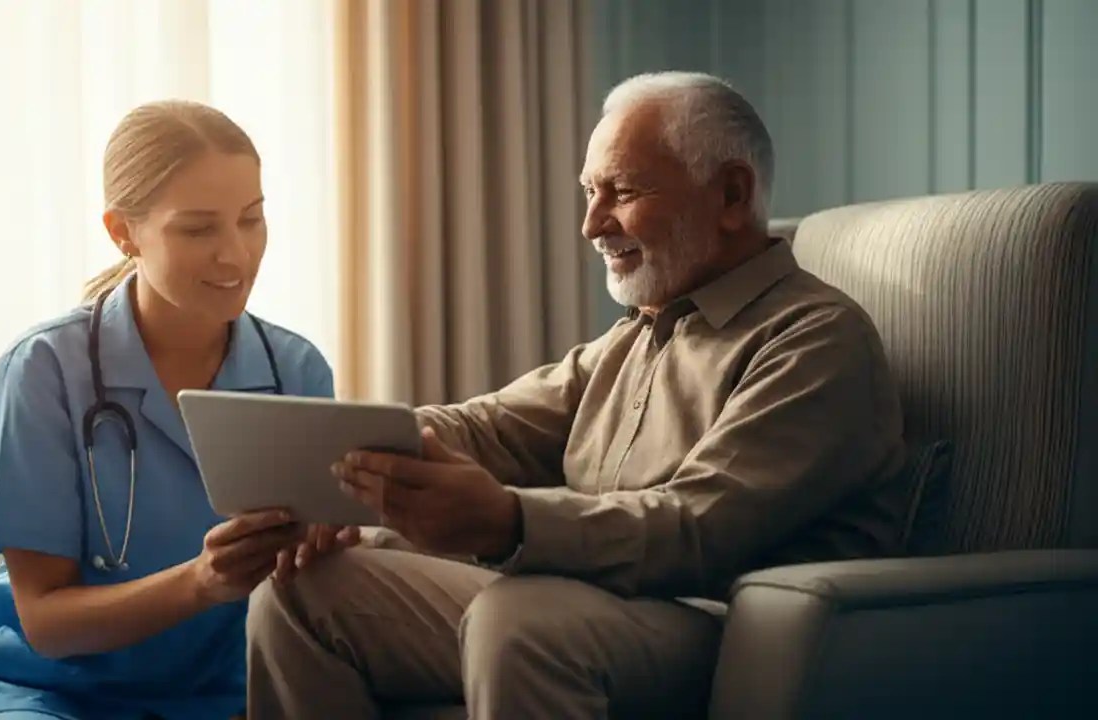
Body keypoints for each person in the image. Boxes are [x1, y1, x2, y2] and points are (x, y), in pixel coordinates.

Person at [244, 71, 910, 718]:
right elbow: (486, 427)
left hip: (730, 626)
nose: (592, 224)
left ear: (732, 195)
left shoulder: (815, 339)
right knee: (299, 589)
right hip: (587, 603)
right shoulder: (637, 337)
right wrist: (343, 465)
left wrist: (508, 522)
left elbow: (697, 528)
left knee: (519, 621)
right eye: (590, 191)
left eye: (623, 191)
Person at [0, 100, 355, 720]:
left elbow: (306, 582)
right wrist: (202, 581)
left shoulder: (297, 371)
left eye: (251, 219)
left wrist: (328, 542)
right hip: (42, 691)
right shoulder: (44, 369)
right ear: (122, 232)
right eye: (199, 229)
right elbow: (46, 623)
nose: (236, 255)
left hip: (224, 693)